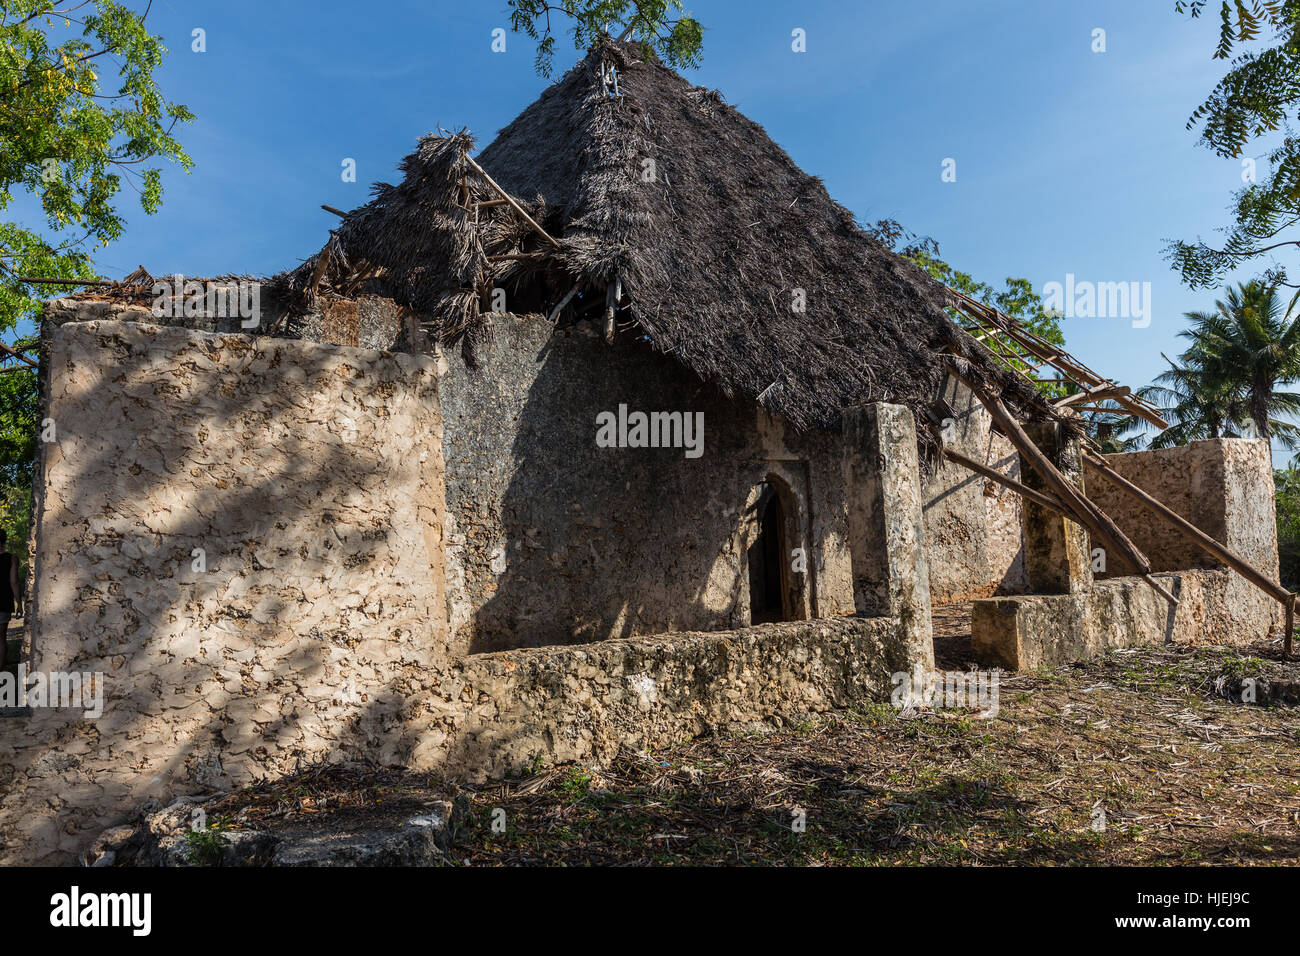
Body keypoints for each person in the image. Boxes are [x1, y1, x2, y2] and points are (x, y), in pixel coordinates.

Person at [0, 531, 16, 670]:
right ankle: (1, 666)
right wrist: (19, 604)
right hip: (3, 602)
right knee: (1, 638)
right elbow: (14, 582)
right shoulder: (11, 559)